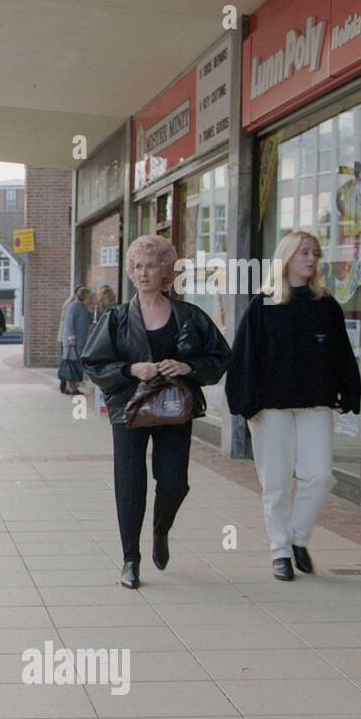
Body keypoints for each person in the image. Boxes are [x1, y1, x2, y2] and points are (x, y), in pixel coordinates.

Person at [83, 235, 231, 590]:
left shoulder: (188, 316)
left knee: (173, 482)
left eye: (151, 265)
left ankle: (160, 529)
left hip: (173, 410)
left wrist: (185, 368)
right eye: (137, 266)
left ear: (165, 270)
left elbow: (219, 358)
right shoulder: (116, 318)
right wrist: (132, 371)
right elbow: (92, 362)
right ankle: (130, 559)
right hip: (129, 411)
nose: (144, 273)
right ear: (131, 272)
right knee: (130, 484)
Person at [226, 231, 361, 582]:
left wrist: (350, 392)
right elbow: (245, 355)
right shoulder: (264, 304)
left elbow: (341, 354)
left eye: (315, 253)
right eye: (304, 252)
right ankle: (280, 550)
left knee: (319, 474)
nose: (311, 259)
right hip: (270, 406)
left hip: (315, 402)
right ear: (286, 256)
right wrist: (246, 401)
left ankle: (299, 538)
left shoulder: (325, 305)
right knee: (276, 480)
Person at [59, 287, 93, 395]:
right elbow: (69, 322)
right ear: (83, 297)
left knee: (75, 364)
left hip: (79, 341)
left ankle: (72, 387)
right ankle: (70, 388)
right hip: (72, 342)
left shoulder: (83, 307)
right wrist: (71, 337)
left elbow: (90, 319)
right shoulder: (74, 306)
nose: (90, 300)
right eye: (89, 297)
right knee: (71, 364)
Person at [56, 290, 77, 392]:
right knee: (68, 363)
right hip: (67, 338)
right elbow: (69, 323)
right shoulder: (72, 305)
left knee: (66, 362)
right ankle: (66, 386)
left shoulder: (68, 302)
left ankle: (64, 386)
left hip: (64, 337)